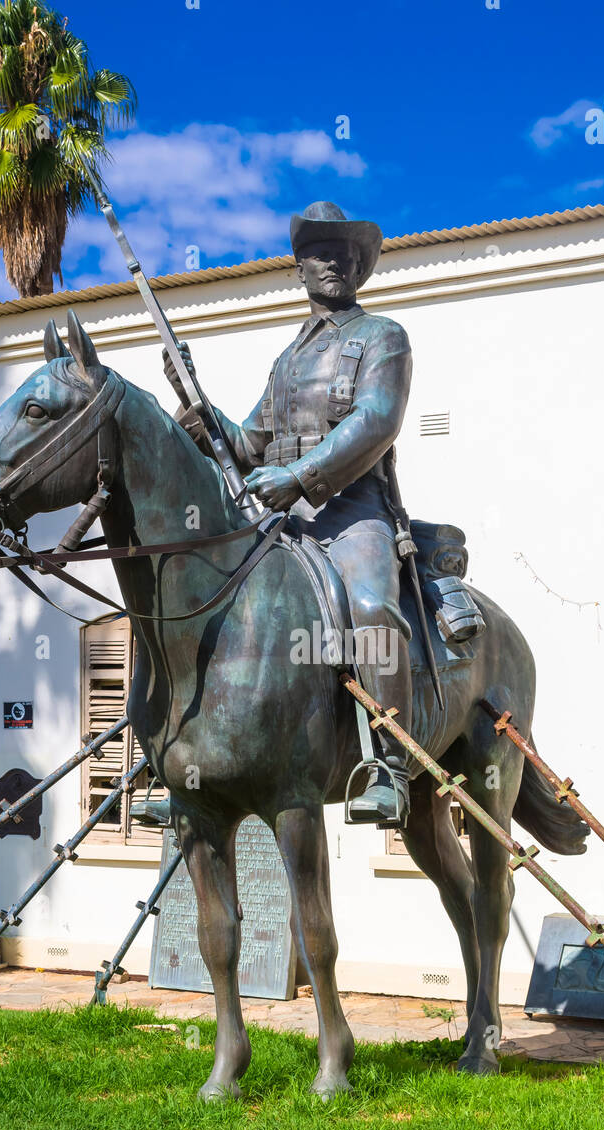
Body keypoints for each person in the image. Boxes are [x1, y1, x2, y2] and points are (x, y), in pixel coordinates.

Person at [164, 201, 417, 825]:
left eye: (348, 254)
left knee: (371, 606)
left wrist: (303, 477)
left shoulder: (382, 337)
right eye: (324, 253)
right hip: (281, 515)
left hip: (352, 509)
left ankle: (391, 763)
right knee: (202, 595)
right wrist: (197, 406)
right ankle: (181, 752)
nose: (339, 263)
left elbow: (375, 422)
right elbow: (250, 443)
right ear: (300, 268)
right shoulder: (287, 361)